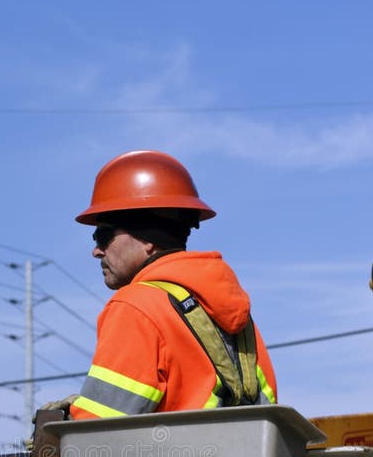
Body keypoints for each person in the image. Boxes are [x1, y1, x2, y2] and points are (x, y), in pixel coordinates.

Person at [54, 150, 277, 420]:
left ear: (148, 238)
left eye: (103, 236)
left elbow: (97, 433)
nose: (97, 251)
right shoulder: (235, 315)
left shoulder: (136, 306)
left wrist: (66, 425)